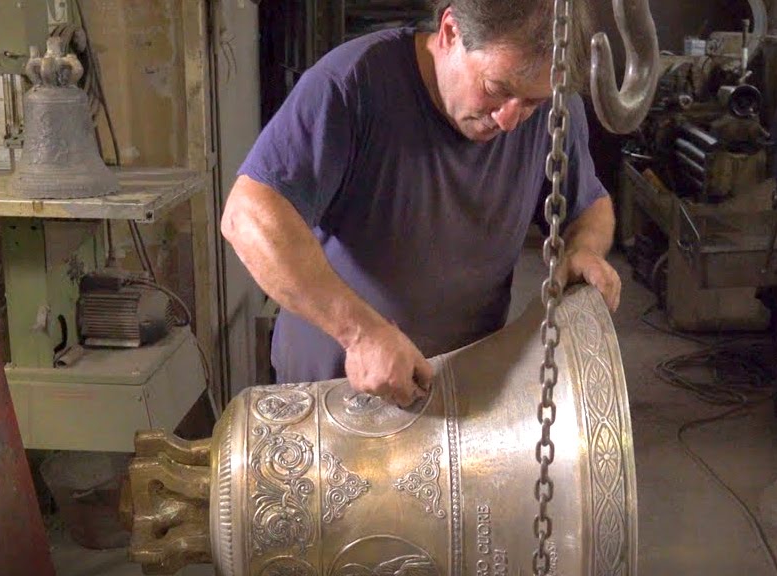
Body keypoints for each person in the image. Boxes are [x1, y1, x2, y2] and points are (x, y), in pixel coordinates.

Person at [221, 0, 621, 407]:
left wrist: (584, 249)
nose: (508, 119)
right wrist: (358, 333)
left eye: (532, 103)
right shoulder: (350, 84)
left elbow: (590, 204)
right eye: (495, 90)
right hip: (329, 395)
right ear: (450, 32)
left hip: (459, 394)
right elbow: (248, 215)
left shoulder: (552, 109)